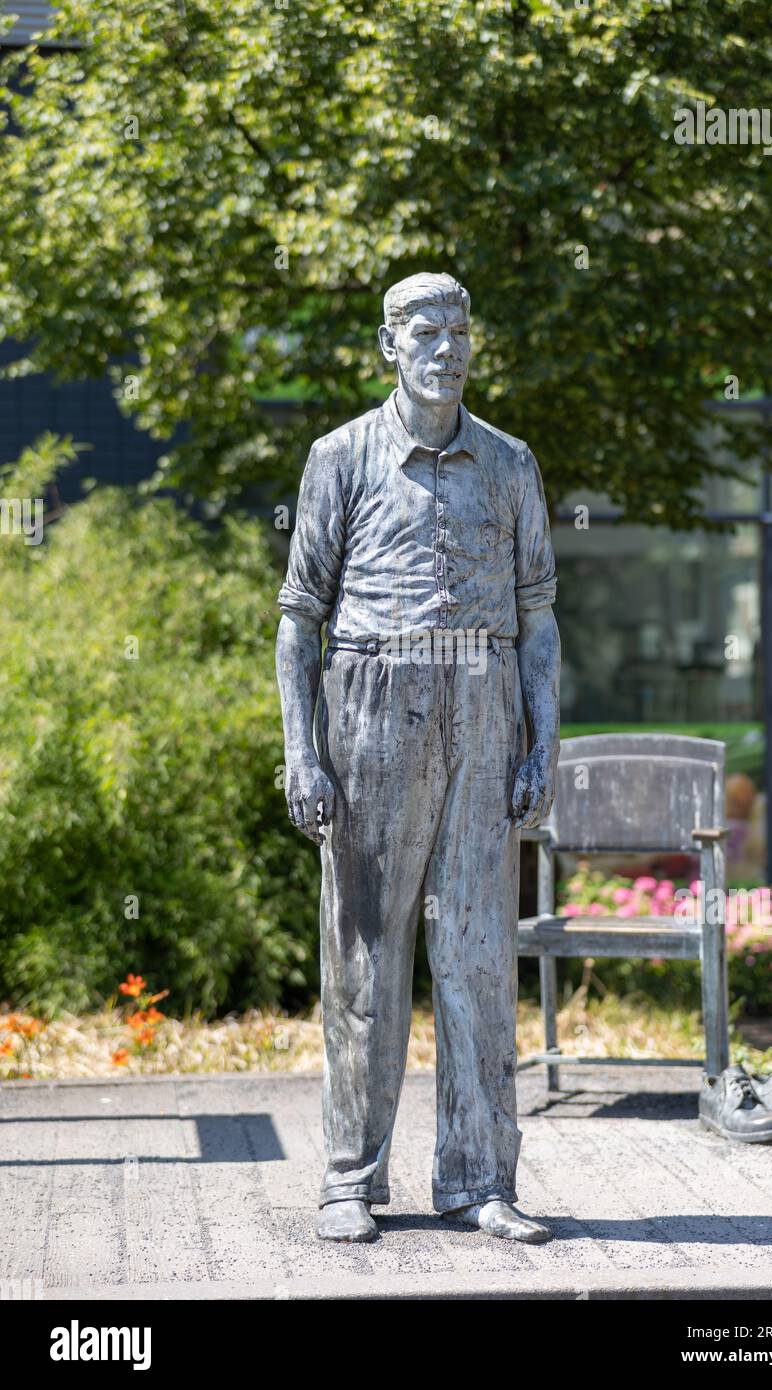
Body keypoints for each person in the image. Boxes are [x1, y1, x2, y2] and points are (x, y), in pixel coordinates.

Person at [275, 272, 561, 1243]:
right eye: (424, 330)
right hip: (367, 708)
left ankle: (478, 1179)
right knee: (362, 953)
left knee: (478, 952)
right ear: (389, 345)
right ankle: (349, 1179)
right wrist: (300, 753)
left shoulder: (509, 462)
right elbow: (297, 618)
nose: (446, 346)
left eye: (459, 330)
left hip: (480, 714)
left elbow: (537, 618)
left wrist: (540, 742)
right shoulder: (340, 456)